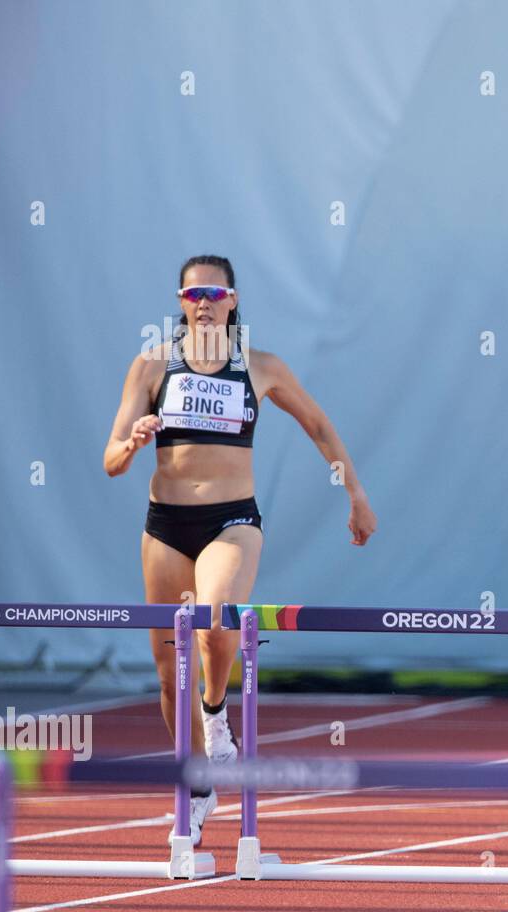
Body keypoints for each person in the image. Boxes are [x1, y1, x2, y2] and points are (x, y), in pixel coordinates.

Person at [103, 255, 377, 843]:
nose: (203, 302)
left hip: (232, 519)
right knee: (164, 667)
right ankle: (196, 784)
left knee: (213, 619)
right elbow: (111, 460)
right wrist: (133, 442)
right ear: (180, 301)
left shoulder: (259, 366)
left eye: (214, 292)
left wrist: (354, 493)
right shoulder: (153, 366)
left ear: (232, 299)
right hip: (165, 523)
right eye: (192, 293)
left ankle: (215, 706)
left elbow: (319, 426)